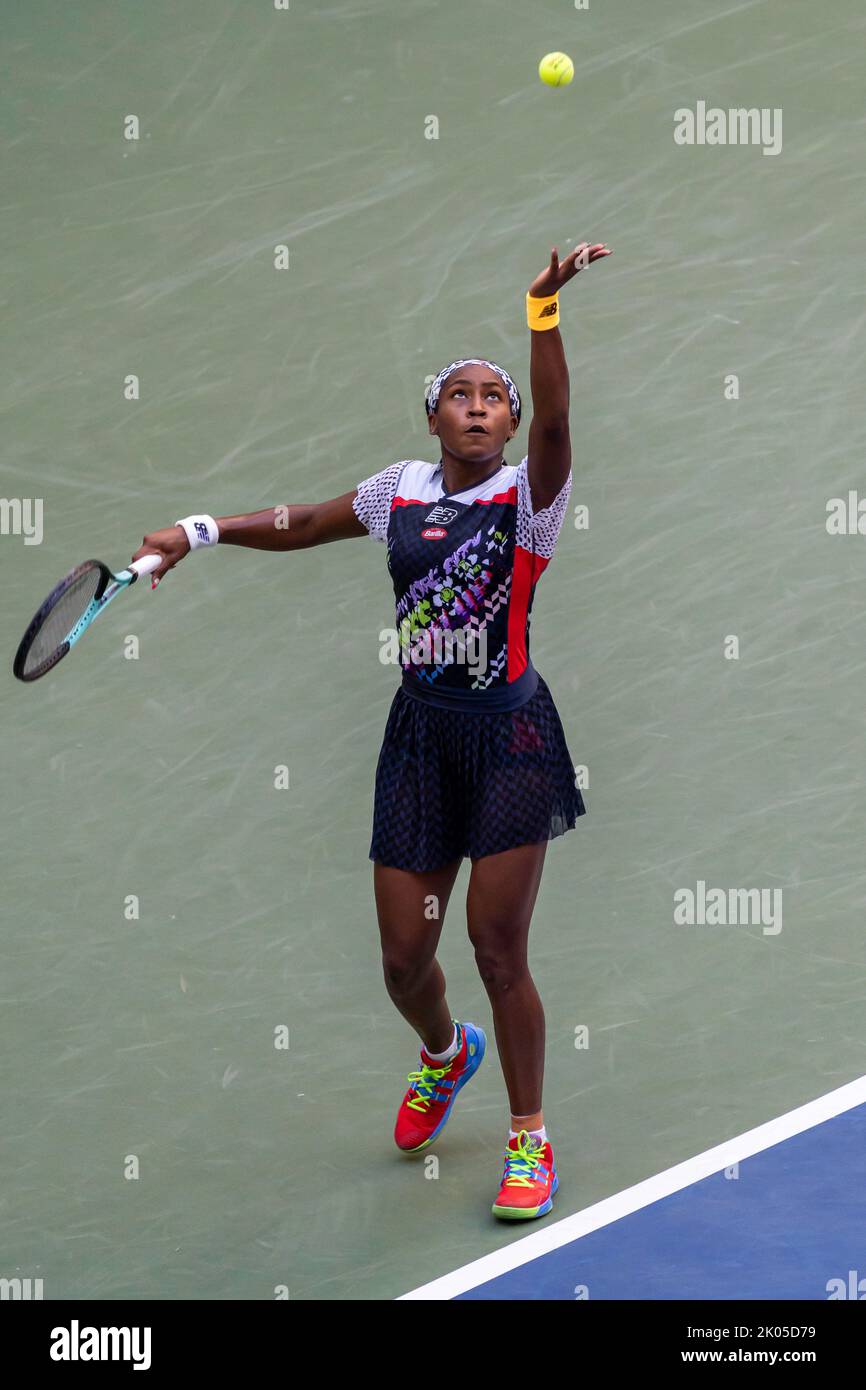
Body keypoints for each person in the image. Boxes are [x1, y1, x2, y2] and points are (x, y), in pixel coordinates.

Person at [131, 240, 611, 1220]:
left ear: (513, 423)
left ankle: (529, 1140)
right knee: (403, 959)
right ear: (431, 415)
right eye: (460, 394)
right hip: (421, 743)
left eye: (495, 397)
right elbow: (303, 521)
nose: (480, 404)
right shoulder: (396, 490)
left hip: (509, 743)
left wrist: (542, 310)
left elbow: (561, 418)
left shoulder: (528, 501)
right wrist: (198, 529)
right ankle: (445, 1054)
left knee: (495, 949)